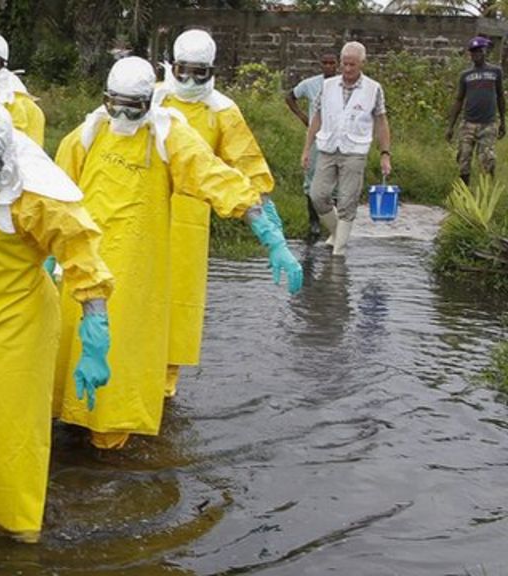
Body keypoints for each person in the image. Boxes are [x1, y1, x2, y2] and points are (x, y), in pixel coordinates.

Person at [54, 57, 302, 450]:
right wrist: (51, 255)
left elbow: (220, 180)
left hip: (137, 269)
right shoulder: (85, 135)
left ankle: (111, 437)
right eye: (113, 103)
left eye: (131, 106)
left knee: (124, 349)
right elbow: (53, 192)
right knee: (70, 345)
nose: (121, 114)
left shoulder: (170, 138)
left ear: (148, 102)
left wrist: (271, 236)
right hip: (85, 263)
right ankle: (69, 421)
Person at [0, 99, 113, 541]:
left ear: (3, 160)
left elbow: (84, 261)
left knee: (10, 432)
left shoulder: (38, 197)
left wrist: (96, 338)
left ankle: (17, 527)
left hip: (16, 330)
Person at [153, 29, 281, 397]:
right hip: (147, 208)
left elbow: (247, 161)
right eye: (183, 71)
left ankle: (164, 386)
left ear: (211, 71)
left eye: (199, 73)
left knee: (179, 299)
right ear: (171, 66)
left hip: (192, 219)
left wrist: (265, 213)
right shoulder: (154, 100)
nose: (190, 80)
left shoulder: (222, 111)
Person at [302, 41, 392, 257]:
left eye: (353, 64)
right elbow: (316, 118)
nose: (348, 69)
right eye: (345, 64)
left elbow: (381, 121)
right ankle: (336, 232)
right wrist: (306, 149)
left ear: (362, 63)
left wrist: (385, 154)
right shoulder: (327, 86)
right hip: (328, 147)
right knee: (317, 194)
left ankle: (339, 252)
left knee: (347, 200)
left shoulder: (373, 89)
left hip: (355, 150)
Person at [285, 51, 339, 240]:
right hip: (316, 138)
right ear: (320, 65)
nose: (329, 66)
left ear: (337, 64)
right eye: (325, 63)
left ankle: (334, 225)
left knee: (336, 182)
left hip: (338, 138)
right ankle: (314, 222)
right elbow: (290, 96)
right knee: (311, 177)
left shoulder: (344, 84)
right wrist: (303, 117)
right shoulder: (311, 84)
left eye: (332, 63)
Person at [446, 36, 505, 185]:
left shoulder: (495, 71)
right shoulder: (466, 75)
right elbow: (459, 100)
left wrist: (503, 121)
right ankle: (464, 193)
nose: (475, 55)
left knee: (487, 159)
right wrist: (450, 126)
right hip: (468, 124)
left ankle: (487, 193)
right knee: (463, 158)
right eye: (472, 52)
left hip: (488, 124)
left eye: (478, 51)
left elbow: (500, 96)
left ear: (484, 51)